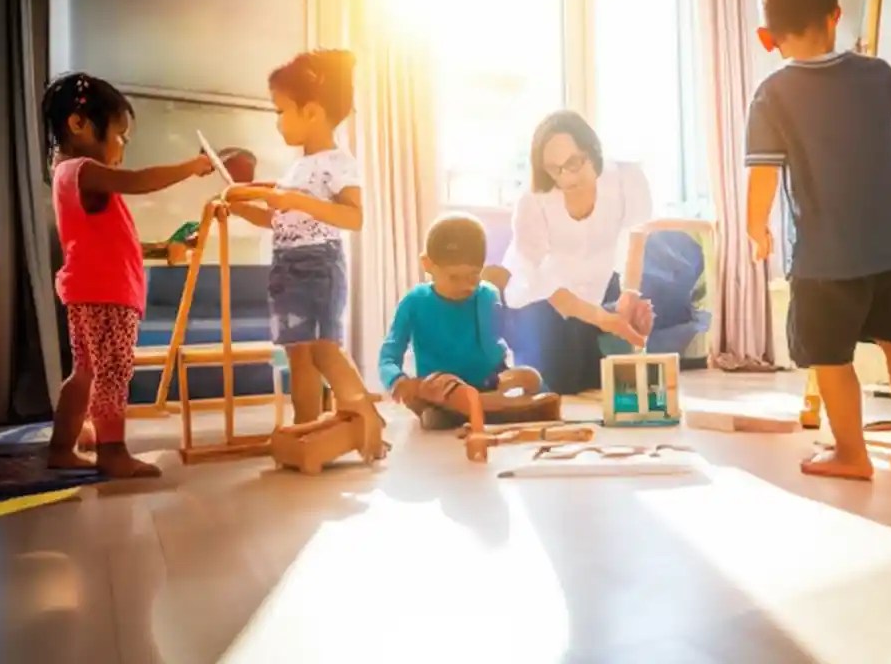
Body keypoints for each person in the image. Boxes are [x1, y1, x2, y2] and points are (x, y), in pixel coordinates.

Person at [744, 0, 891, 480]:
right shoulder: (876, 74)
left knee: (830, 356)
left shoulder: (772, 94)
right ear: (836, 16)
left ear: (768, 37)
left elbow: (763, 174)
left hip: (823, 260)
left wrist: (755, 228)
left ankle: (851, 451)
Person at [43, 72, 215, 477]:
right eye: (120, 135)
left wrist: (160, 248)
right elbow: (138, 181)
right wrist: (191, 166)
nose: (122, 146)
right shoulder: (84, 170)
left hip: (88, 288)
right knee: (113, 371)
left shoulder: (67, 175)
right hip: (106, 295)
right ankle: (112, 451)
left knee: (85, 371)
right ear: (79, 124)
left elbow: (112, 244)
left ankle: (61, 448)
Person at [224, 49, 386, 460]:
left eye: (281, 111)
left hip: (318, 263)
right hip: (287, 266)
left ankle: (367, 417)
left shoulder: (337, 163)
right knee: (298, 353)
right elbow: (282, 221)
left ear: (311, 111)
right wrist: (241, 206)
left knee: (324, 349)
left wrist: (292, 199)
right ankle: (306, 432)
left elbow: (353, 217)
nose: (277, 121)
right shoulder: (299, 168)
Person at [499, 110, 655, 394]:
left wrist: (629, 295)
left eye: (573, 163)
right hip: (541, 298)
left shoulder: (626, 179)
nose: (566, 177)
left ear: (592, 151)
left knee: (605, 372)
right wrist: (602, 318)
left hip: (593, 290)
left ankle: (600, 333)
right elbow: (542, 281)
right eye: (554, 169)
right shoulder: (533, 200)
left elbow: (634, 239)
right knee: (564, 380)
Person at [378, 213, 560, 430]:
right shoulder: (414, 301)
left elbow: (512, 342)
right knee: (436, 393)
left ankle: (480, 409)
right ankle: (506, 409)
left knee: (529, 375)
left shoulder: (488, 295)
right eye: (454, 277)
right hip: (444, 388)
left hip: (489, 384)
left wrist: (523, 378)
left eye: (473, 276)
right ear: (428, 264)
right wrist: (397, 380)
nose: (466, 286)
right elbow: (388, 356)